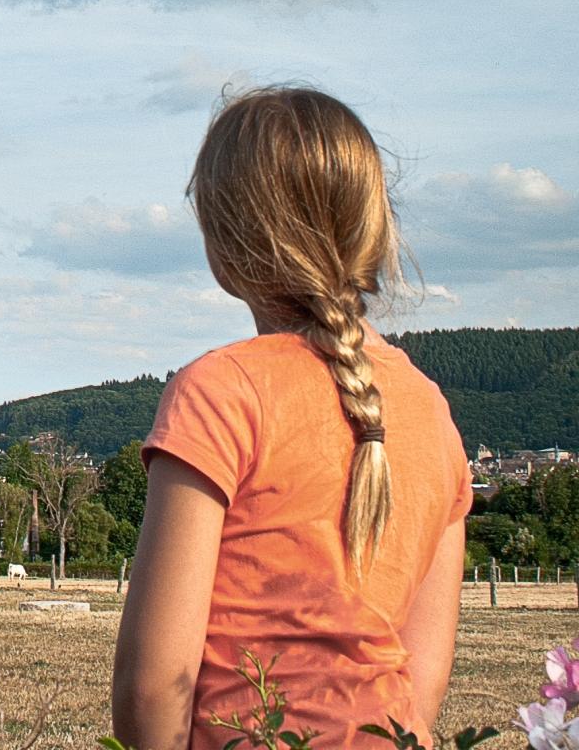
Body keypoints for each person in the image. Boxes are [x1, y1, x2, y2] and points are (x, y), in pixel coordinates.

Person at [112, 86, 472, 750]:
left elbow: (155, 686)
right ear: (371, 224)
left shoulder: (220, 392)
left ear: (230, 239)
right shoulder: (431, 410)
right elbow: (423, 683)